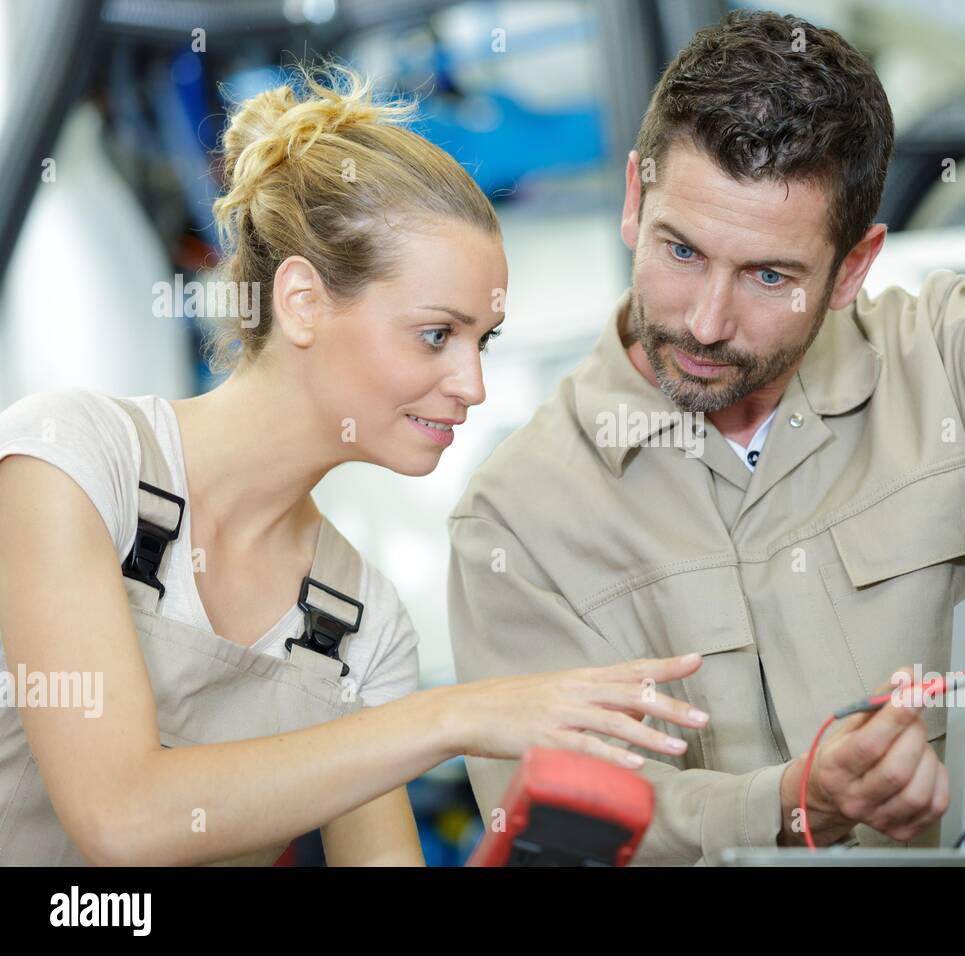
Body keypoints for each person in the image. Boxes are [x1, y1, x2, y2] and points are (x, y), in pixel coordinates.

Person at [447, 9, 965, 865]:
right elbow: (546, 830)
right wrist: (782, 804)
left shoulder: (941, 362)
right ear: (635, 199)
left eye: (768, 275)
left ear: (853, 266)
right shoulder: (516, 520)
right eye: (682, 251)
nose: (705, 322)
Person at [0, 65, 707, 867]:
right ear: (301, 301)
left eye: (484, 343)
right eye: (437, 334)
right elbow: (121, 818)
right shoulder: (71, 463)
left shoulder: (358, 619)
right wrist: (454, 717)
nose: (472, 385)